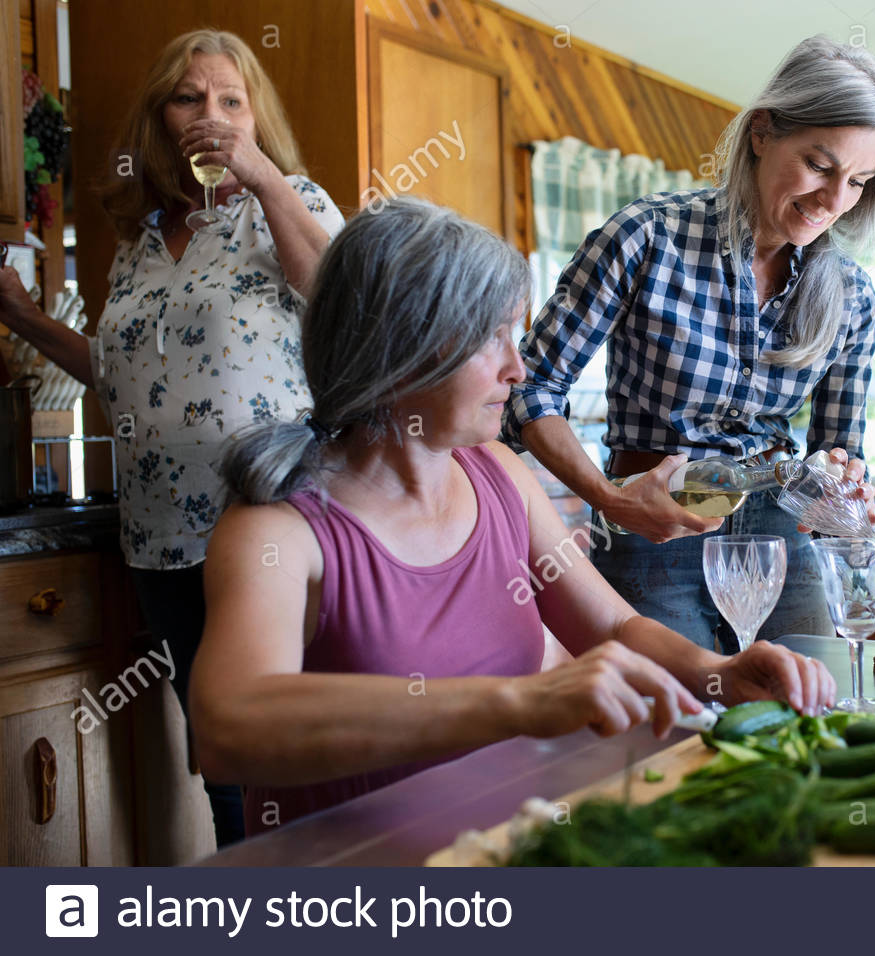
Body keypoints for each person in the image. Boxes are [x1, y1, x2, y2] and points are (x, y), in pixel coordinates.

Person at [188, 198, 835, 837]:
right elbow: (228, 727)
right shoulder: (276, 530)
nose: (517, 367)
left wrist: (718, 675)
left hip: (511, 849)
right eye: (490, 337)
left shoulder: (497, 471)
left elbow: (610, 625)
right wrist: (519, 701)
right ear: (400, 350)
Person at [0, 29, 344, 847]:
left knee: (283, 753)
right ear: (160, 118)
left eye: (231, 100)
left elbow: (343, 299)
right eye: (188, 99)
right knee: (223, 758)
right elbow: (120, 375)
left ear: (257, 118)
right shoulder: (140, 242)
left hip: (265, 527)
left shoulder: (291, 201)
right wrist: (21, 316)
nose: (209, 116)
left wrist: (259, 176)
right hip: (158, 539)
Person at [502, 36, 875, 652]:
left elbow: (836, 450)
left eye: (859, 181)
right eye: (821, 166)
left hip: (783, 535)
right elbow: (529, 388)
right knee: (672, 723)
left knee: (807, 707)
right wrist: (610, 499)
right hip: (653, 525)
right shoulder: (646, 237)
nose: (835, 202)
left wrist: (847, 491)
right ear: (760, 133)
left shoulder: (851, 292)